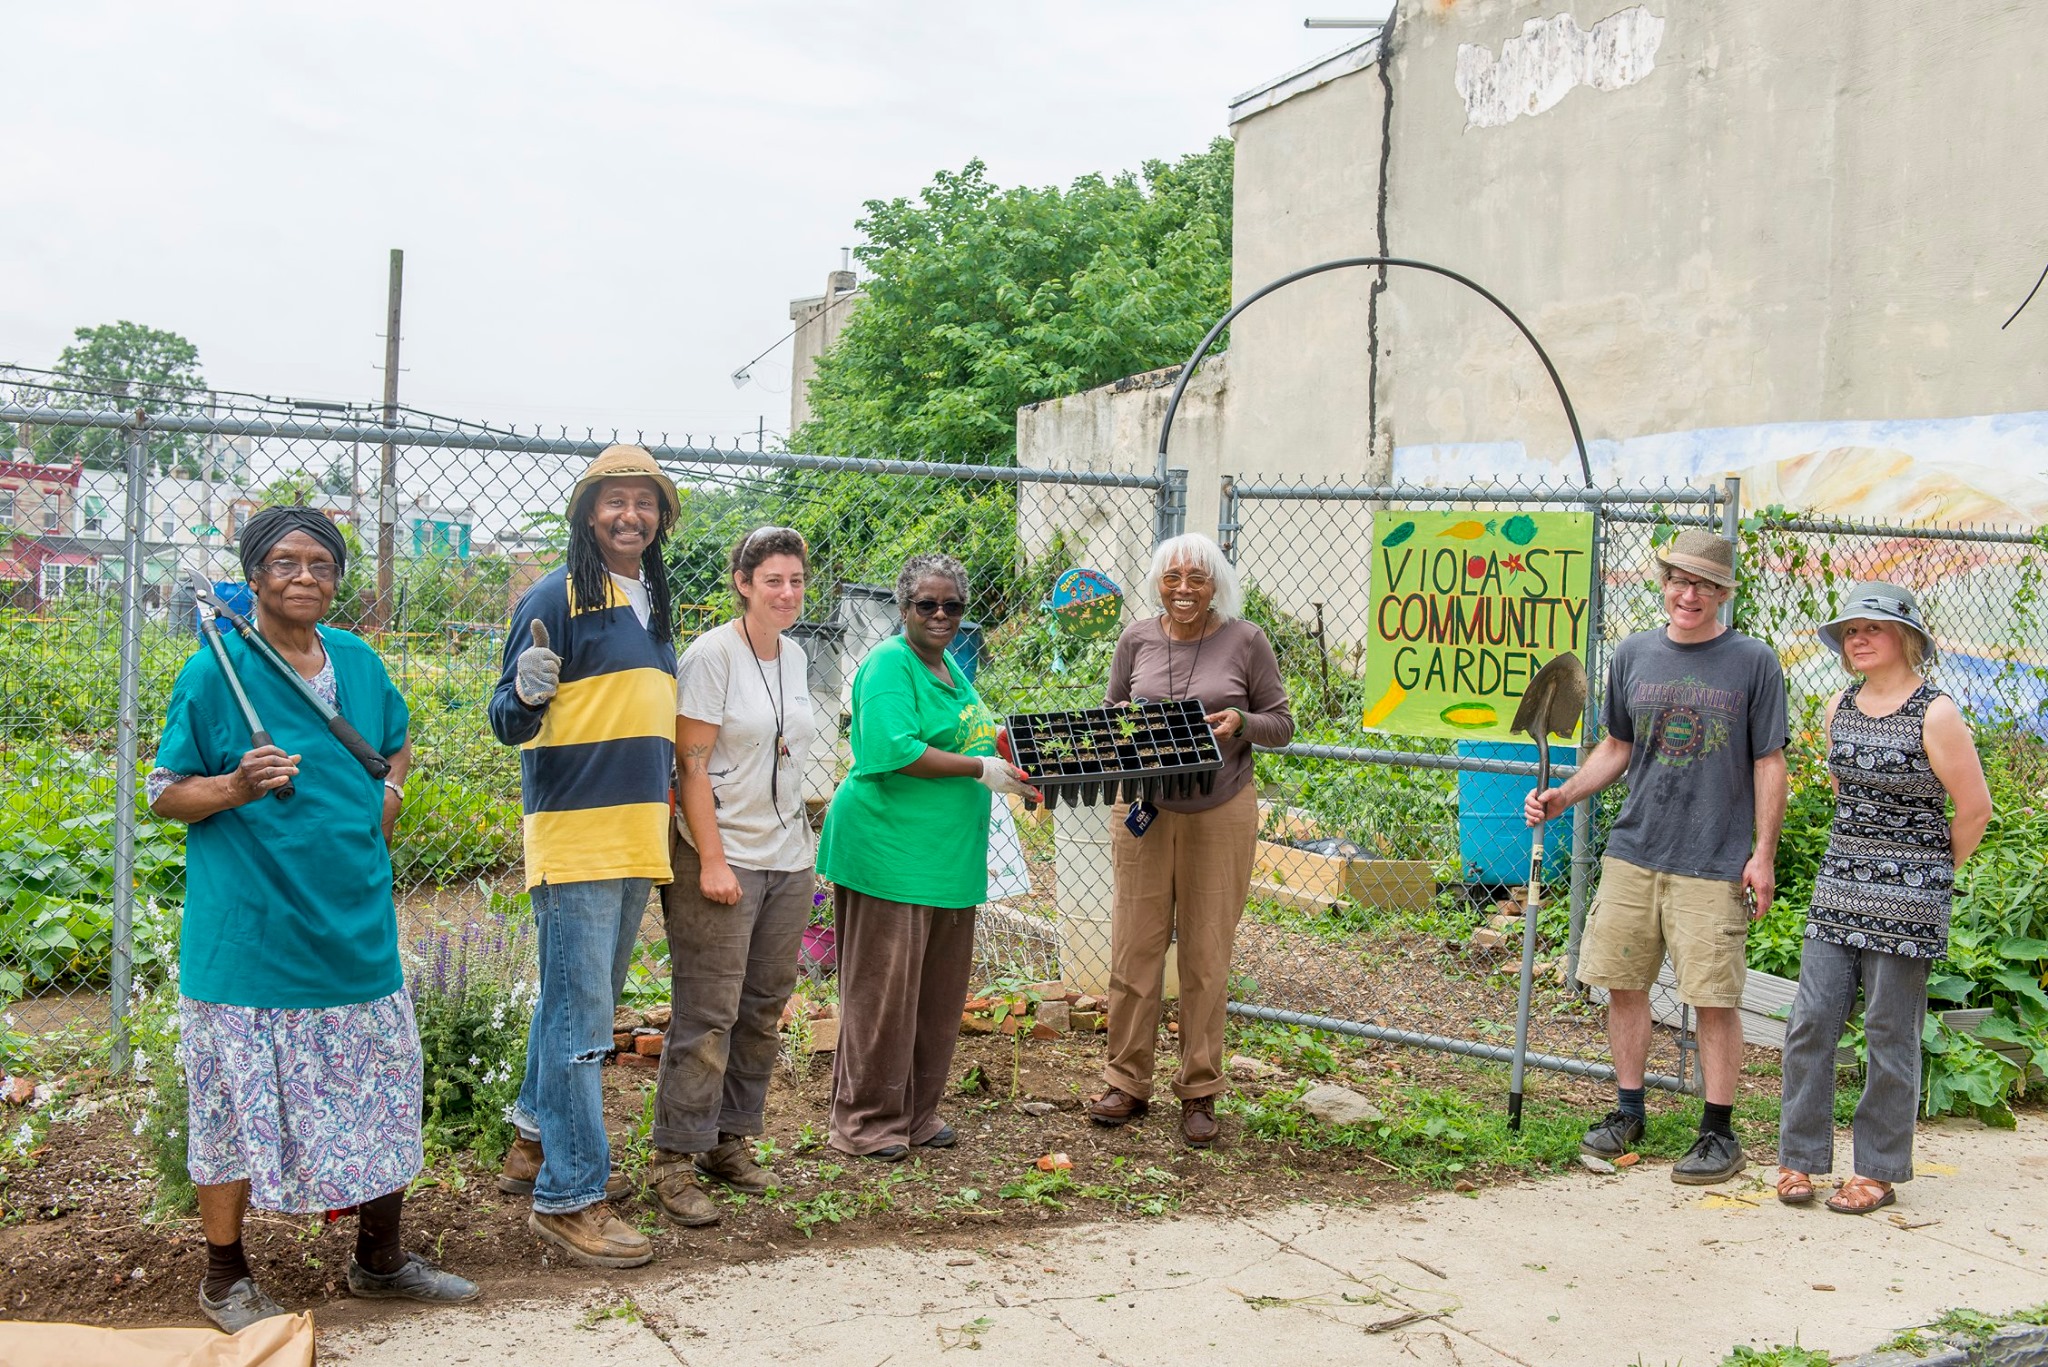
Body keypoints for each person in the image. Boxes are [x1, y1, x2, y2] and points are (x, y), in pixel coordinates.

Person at [150, 506, 477, 1332]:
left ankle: (380, 1258)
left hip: (354, 922)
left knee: (387, 1084)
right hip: (251, 934)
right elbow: (164, 790)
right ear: (253, 576)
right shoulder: (214, 671)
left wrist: (389, 797)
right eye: (285, 562)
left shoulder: (359, 664)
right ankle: (225, 1278)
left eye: (321, 564)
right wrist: (232, 786)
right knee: (230, 1105)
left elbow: (395, 740)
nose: (305, 576)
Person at [1524, 527, 1788, 1184]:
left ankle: (1718, 1131)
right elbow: (1617, 746)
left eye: (1703, 584)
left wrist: (1763, 853)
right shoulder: (1635, 654)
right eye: (1678, 579)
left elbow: (1769, 762)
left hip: (1713, 858)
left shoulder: (1753, 661)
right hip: (1635, 850)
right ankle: (1627, 1109)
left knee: (1714, 997)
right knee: (1623, 983)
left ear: (1724, 593)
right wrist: (1566, 794)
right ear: (1664, 583)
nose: (1688, 593)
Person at [488, 444, 680, 1268]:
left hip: (636, 834)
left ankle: (533, 1137)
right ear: (587, 514)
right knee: (581, 1019)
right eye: (614, 501)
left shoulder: (653, 602)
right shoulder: (555, 594)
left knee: (580, 1001)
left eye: (644, 502)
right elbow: (504, 719)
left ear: (660, 518)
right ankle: (568, 1195)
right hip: (578, 835)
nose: (629, 514)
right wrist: (525, 691)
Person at [814, 553, 1037, 1159]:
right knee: (883, 996)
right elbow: (894, 749)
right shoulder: (891, 663)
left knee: (935, 998)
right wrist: (981, 768)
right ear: (903, 607)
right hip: (891, 854)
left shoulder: (949, 670)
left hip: (945, 863)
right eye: (926, 605)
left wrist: (1017, 767)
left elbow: (968, 737)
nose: (940, 615)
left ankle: (915, 1114)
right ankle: (865, 1122)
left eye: (952, 606)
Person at [1776, 583, 1990, 1213]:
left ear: (1907, 637)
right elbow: (1848, 796)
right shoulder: (1839, 704)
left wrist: (1925, 873)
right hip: (1839, 886)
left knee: (1889, 1030)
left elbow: (1974, 809)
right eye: (1849, 631)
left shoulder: (1937, 712)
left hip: (1910, 895)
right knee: (1811, 1021)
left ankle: (1878, 1169)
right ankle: (1800, 1159)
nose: (1858, 639)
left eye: (1872, 628)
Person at [1087, 532, 1295, 1148]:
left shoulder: (1245, 639)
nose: (1183, 589)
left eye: (1197, 579)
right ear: (1158, 582)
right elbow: (1111, 713)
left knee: (1206, 955)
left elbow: (1280, 722)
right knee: (1135, 948)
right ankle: (1126, 1081)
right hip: (1144, 808)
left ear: (1216, 585)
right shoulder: (1136, 639)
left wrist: (1241, 723)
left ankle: (1200, 1090)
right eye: (1172, 577)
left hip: (1220, 809)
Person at [645, 527, 818, 1226]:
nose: (786, 592)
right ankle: (673, 1158)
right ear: (743, 583)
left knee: (762, 1009)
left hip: (787, 856)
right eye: (772, 580)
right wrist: (711, 859)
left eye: (797, 581)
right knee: (708, 1011)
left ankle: (730, 1140)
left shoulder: (799, 654)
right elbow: (689, 766)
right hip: (722, 854)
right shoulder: (711, 654)